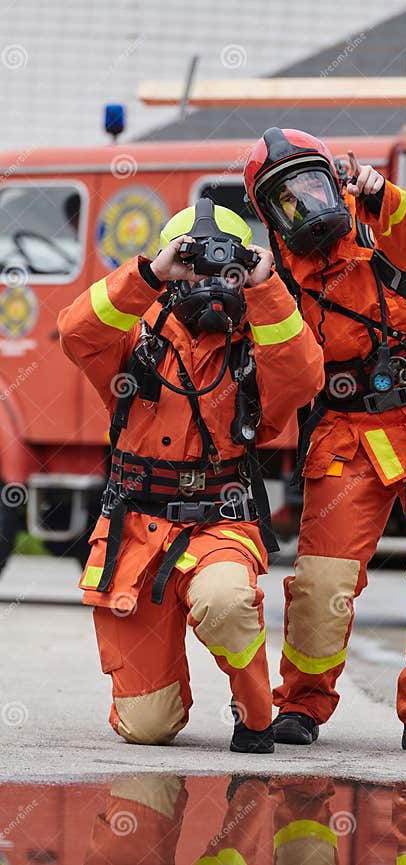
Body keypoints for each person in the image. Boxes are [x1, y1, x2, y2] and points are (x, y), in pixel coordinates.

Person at [244, 128, 406, 756]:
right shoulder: (273, 278)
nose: (303, 204)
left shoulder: (378, 222)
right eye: (286, 197)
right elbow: (280, 364)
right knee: (322, 582)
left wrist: (383, 193)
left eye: (310, 183)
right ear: (269, 213)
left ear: (334, 178)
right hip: (345, 430)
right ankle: (300, 705)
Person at [57, 199, 324, 753]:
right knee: (146, 728)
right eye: (196, 266)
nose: (210, 282)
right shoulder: (137, 342)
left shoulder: (255, 343)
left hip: (217, 527)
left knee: (225, 600)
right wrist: (152, 273)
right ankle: (164, 695)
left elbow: (303, 377)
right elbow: (74, 333)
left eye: (223, 270)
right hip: (135, 535)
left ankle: (254, 715)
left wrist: (265, 285)